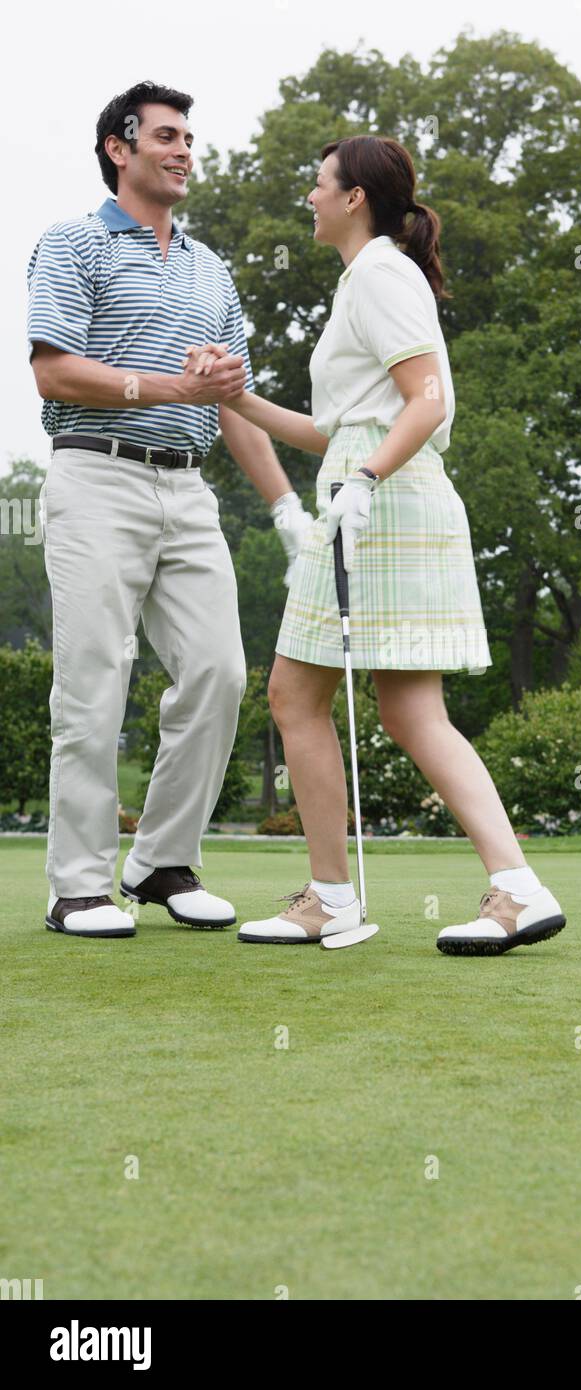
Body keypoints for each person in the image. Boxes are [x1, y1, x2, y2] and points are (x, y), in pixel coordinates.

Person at [189, 135, 566, 955]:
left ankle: (338, 896)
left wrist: (363, 480)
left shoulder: (381, 274)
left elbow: (424, 401)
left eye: (318, 184)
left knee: (297, 693)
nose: (310, 199)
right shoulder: (364, 279)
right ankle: (514, 887)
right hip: (373, 493)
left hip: (384, 502)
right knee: (402, 708)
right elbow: (331, 430)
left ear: (354, 196)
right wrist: (239, 398)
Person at [27, 81, 314, 939]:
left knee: (219, 673)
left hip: (188, 487)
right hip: (96, 476)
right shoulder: (71, 244)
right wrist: (167, 385)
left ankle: (160, 863)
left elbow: (232, 401)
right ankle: (76, 885)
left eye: (189, 138)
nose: (185, 151)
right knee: (94, 679)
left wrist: (288, 510)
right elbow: (54, 371)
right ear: (120, 148)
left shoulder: (209, 268)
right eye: (167, 136)